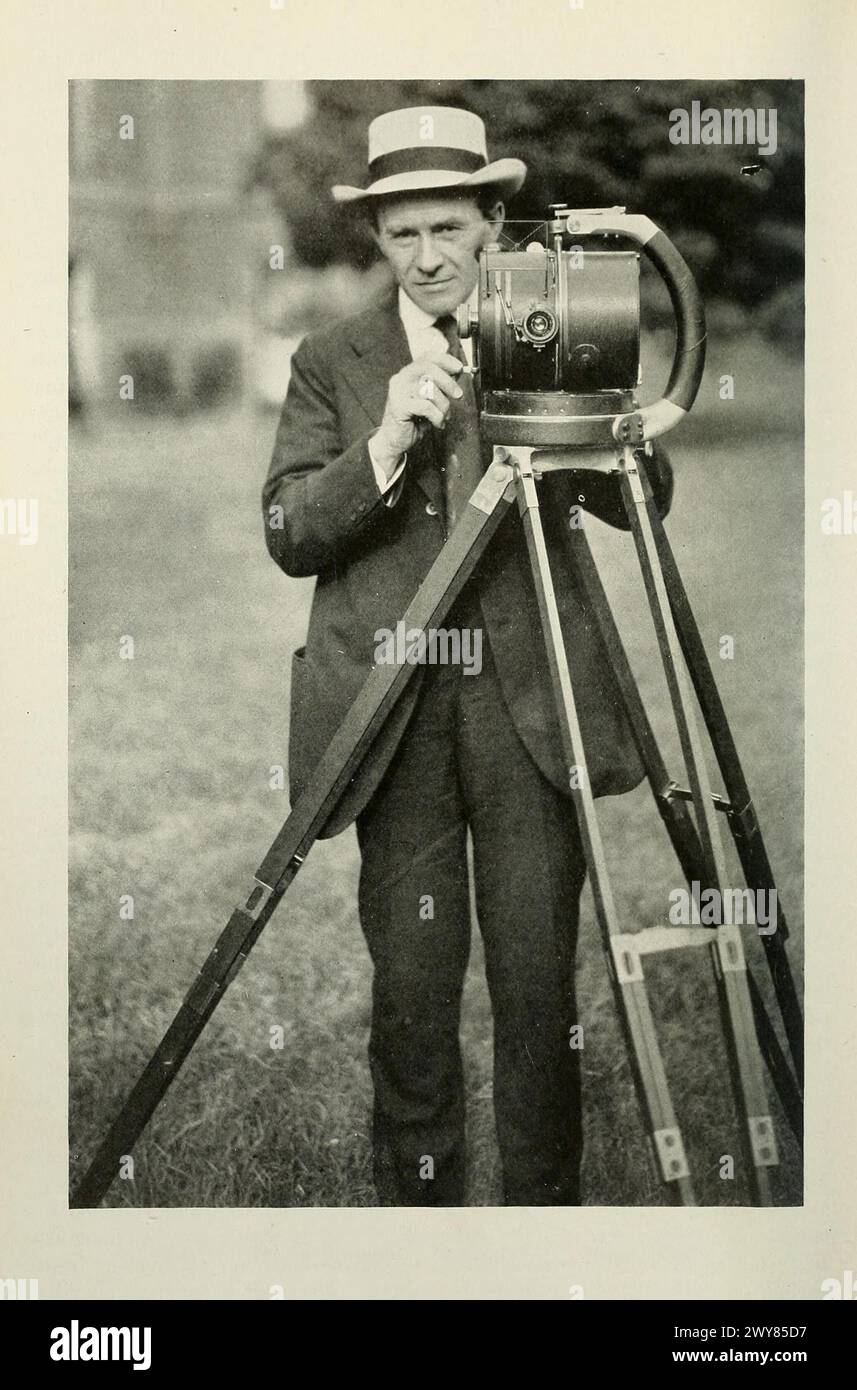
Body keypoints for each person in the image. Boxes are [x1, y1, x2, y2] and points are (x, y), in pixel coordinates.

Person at [262, 106, 674, 1205]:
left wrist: (564, 402)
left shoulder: (539, 320)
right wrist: (386, 439)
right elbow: (288, 531)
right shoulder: (330, 361)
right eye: (404, 236)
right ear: (378, 240)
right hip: (387, 713)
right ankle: (424, 1224)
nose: (431, 256)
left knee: (538, 989)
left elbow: (647, 498)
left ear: (495, 223)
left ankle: (540, 1229)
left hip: (527, 711)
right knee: (410, 988)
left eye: (451, 228)